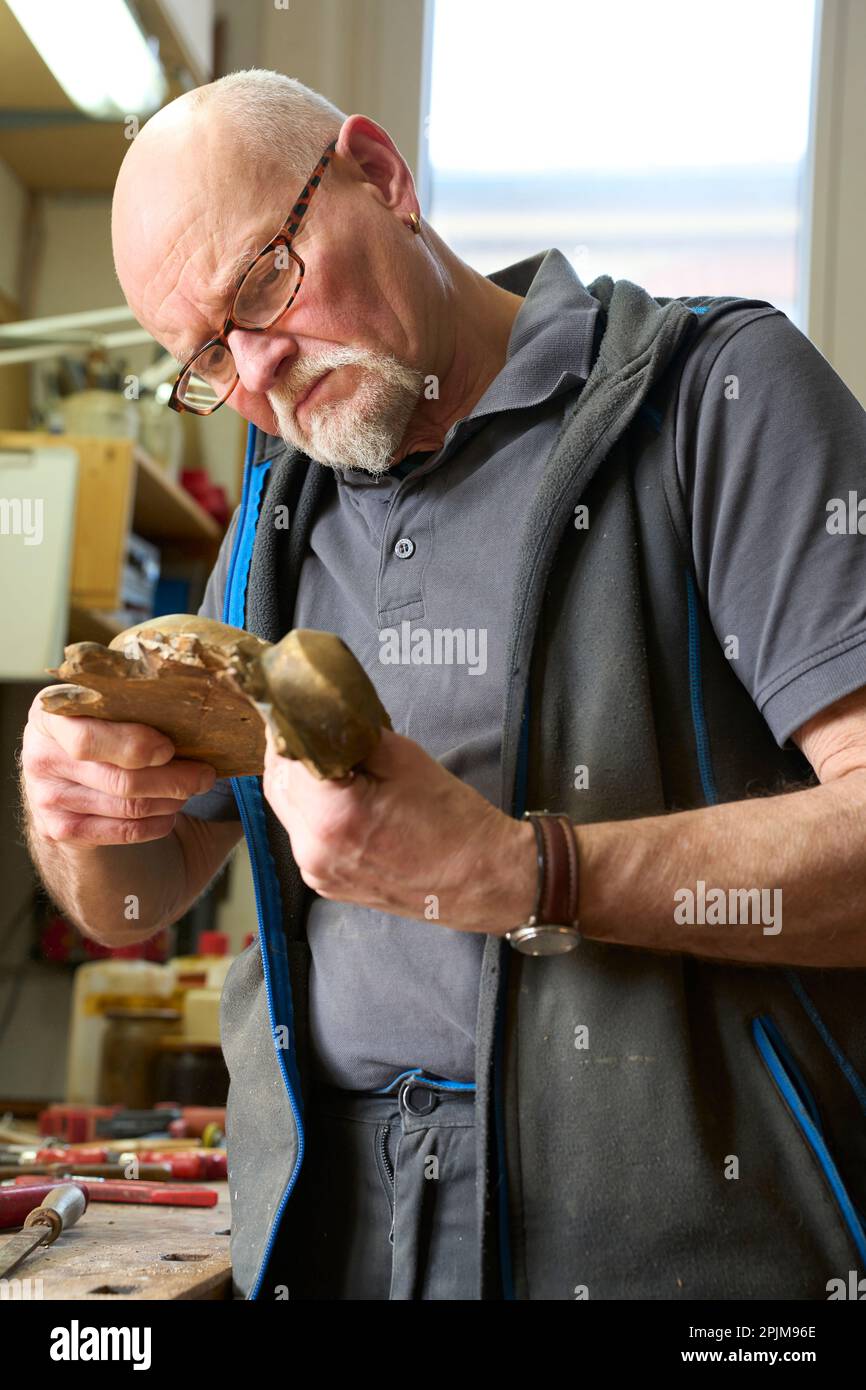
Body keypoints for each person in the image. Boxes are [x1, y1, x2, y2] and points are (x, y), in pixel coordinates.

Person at [20, 68, 866, 1301]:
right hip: (336, 1240)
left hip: (675, 1257)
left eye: (263, 281)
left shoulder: (714, 397)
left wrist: (525, 872)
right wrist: (76, 811)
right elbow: (139, 896)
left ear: (381, 176)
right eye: (204, 356)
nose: (257, 373)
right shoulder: (275, 510)